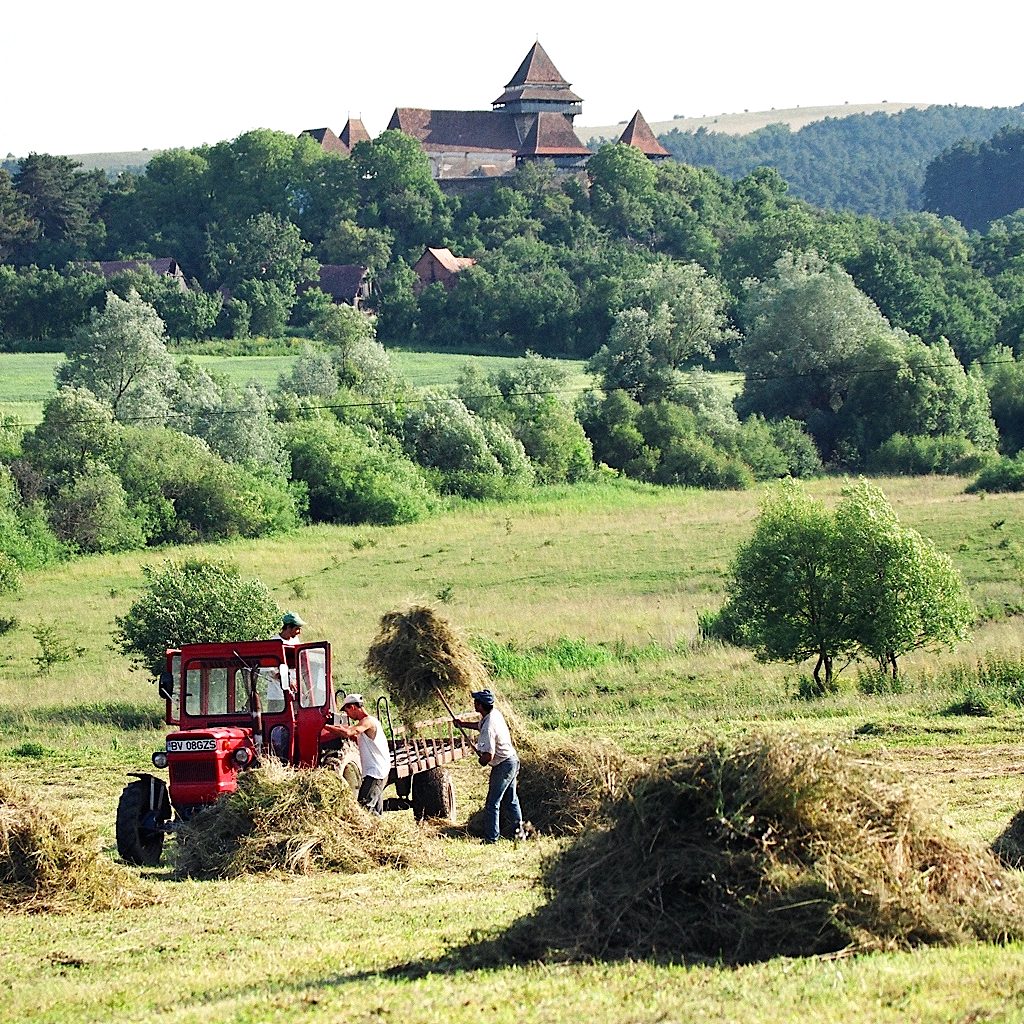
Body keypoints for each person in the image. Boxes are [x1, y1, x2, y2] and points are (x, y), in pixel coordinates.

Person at [455, 689, 524, 844]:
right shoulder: (494, 715)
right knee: (511, 800)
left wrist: (481, 760)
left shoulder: (489, 726)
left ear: (480, 705)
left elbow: (488, 756)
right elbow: (480, 725)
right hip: (512, 760)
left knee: (492, 803)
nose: (474, 703)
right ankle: (520, 835)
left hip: (503, 765)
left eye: (475, 701)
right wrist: (462, 724)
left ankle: (491, 838)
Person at [324, 693, 391, 815]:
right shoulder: (367, 722)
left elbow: (348, 732)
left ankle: (368, 832)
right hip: (379, 772)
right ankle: (376, 833)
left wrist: (324, 726)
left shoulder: (368, 722)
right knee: (375, 813)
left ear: (353, 707)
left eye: (346, 710)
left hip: (375, 773)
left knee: (364, 809)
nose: (347, 714)